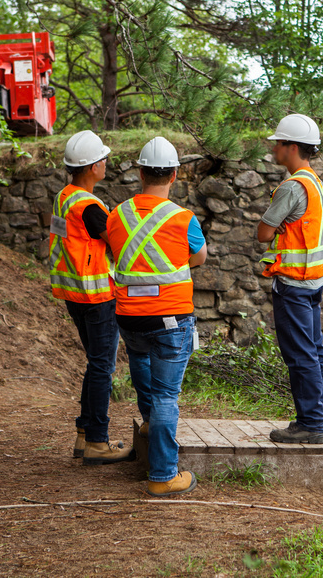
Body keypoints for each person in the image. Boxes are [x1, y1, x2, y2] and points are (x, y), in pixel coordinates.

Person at [105, 136, 207, 496]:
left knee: (140, 364)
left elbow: (117, 252)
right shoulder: (183, 218)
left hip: (129, 316)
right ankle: (163, 476)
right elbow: (198, 258)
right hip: (170, 318)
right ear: (175, 174)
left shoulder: (116, 215)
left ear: (140, 172)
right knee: (167, 395)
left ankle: (149, 423)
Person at [50, 131, 134, 466]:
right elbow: (118, 243)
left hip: (74, 293)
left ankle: (85, 434)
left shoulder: (65, 196)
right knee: (102, 366)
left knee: (95, 363)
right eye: (102, 159)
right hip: (97, 295)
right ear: (91, 167)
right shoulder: (89, 206)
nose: (106, 163)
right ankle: (98, 441)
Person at [256, 114, 323, 444]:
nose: (274, 147)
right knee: (315, 351)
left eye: (279, 142)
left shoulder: (292, 186)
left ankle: (311, 425)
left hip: (293, 285)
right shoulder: (314, 182)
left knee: (301, 355)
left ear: (291, 147)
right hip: (313, 282)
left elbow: (263, 233)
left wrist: (278, 226)